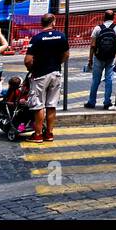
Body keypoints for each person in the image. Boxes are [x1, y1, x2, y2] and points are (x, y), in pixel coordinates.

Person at [24, 13, 69, 142]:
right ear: (53, 22)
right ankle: (49, 133)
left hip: (40, 75)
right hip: (55, 73)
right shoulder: (61, 37)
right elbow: (66, 54)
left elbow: (28, 60)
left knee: (38, 105)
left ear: (41, 23)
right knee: (51, 105)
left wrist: (31, 69)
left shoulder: (36, 38)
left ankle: (37, 134)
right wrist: (56, 63)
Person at [84, 11, 116, 109]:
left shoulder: (98, 28)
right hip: (111, 57)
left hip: (98, 57)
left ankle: (91, 101)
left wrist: (90, 59)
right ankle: (107, 102)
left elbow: (92, 45)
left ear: (104, 17)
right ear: (113, 17)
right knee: (109, 79)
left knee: (95, 80)